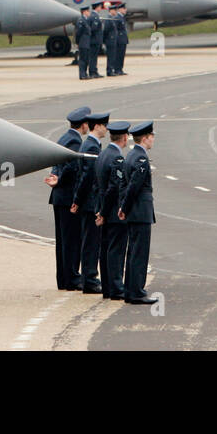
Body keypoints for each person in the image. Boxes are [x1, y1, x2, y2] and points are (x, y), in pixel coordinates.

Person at [45, 107, 88, 291]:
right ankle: (71, 278)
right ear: (84, 125)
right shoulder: (75, 142)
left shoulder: (64, 138)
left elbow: (56, 162)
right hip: (67, 196)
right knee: (71, 240)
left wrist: (55, 177)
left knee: (63, 240)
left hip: (58, 196)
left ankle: (63, 278)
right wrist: (60, 179)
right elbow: (71, 168)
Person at [118, 120, 157, 305]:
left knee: (132, 251)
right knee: (139, 253)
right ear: (145, 138)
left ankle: (130, 289)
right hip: (140, 212)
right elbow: (134, 186)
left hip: (133, 211)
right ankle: (136, 292)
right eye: (151, 137)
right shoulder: (140, 159)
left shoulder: (131, 155)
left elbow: (123, 186)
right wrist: (124, 207)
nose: (153, 140)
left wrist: (122, 207)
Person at [71, 110, 109, 294]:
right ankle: (90, 279)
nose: (106, 129)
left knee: (90, 241)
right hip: (90, 202)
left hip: (87, 201)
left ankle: (89, 277)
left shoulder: (90, 144)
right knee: (91, 242)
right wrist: (78, 200)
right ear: (97, 126)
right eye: (104, 125)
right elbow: (87, 177)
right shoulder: (92, 147)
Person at [95, 120, 130, 300]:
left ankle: (108, 287)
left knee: (106, 249)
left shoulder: (102, 154)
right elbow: (113, 188)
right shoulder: (117, 158)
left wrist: (100, 210)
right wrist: (104, 211)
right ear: (124, 137)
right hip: (113, 212)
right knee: (116, 250)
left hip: (104, 209)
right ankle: (116, 288)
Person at [73, 5, 93, 80]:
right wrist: (78, 42)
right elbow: (78, 33)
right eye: (88, 11)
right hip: (83, 43)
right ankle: (82, 74)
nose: (89, 13)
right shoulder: (81, 21)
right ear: (84, 12)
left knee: (86, 59)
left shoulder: (86, 20)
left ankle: (85, 73)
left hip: (87, 43)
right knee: (82, 59)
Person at [84, 4, 103, 79]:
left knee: (94, 57)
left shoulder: (95, 16)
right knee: (93, 57)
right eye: (100, 7)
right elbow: (93, 29)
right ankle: (92, 72)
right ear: (97, 7)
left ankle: (94, 71)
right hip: (94, 40)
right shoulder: (94, 16)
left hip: (96, 40)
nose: (100, 8)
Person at [111, 2, 129, 75]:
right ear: (120, 9)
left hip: (123, 39)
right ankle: (117, 69)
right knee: (118, 55)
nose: (125, 10)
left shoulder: (121, 17)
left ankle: (120, 69)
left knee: (121, 55)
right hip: (119, 39)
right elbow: (115, 29)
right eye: (124, 9)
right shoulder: (117, 18)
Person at [103, 4, 120, 76]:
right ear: (111, 10)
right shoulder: (108, 19)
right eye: (115, 10)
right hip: (110, 41)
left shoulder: (112, 19)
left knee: (112, 56)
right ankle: (109, 71)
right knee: (110, 56)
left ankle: (111, 69)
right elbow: (106, 30)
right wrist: (107, 40)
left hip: (112, 40)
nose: (116, 12)